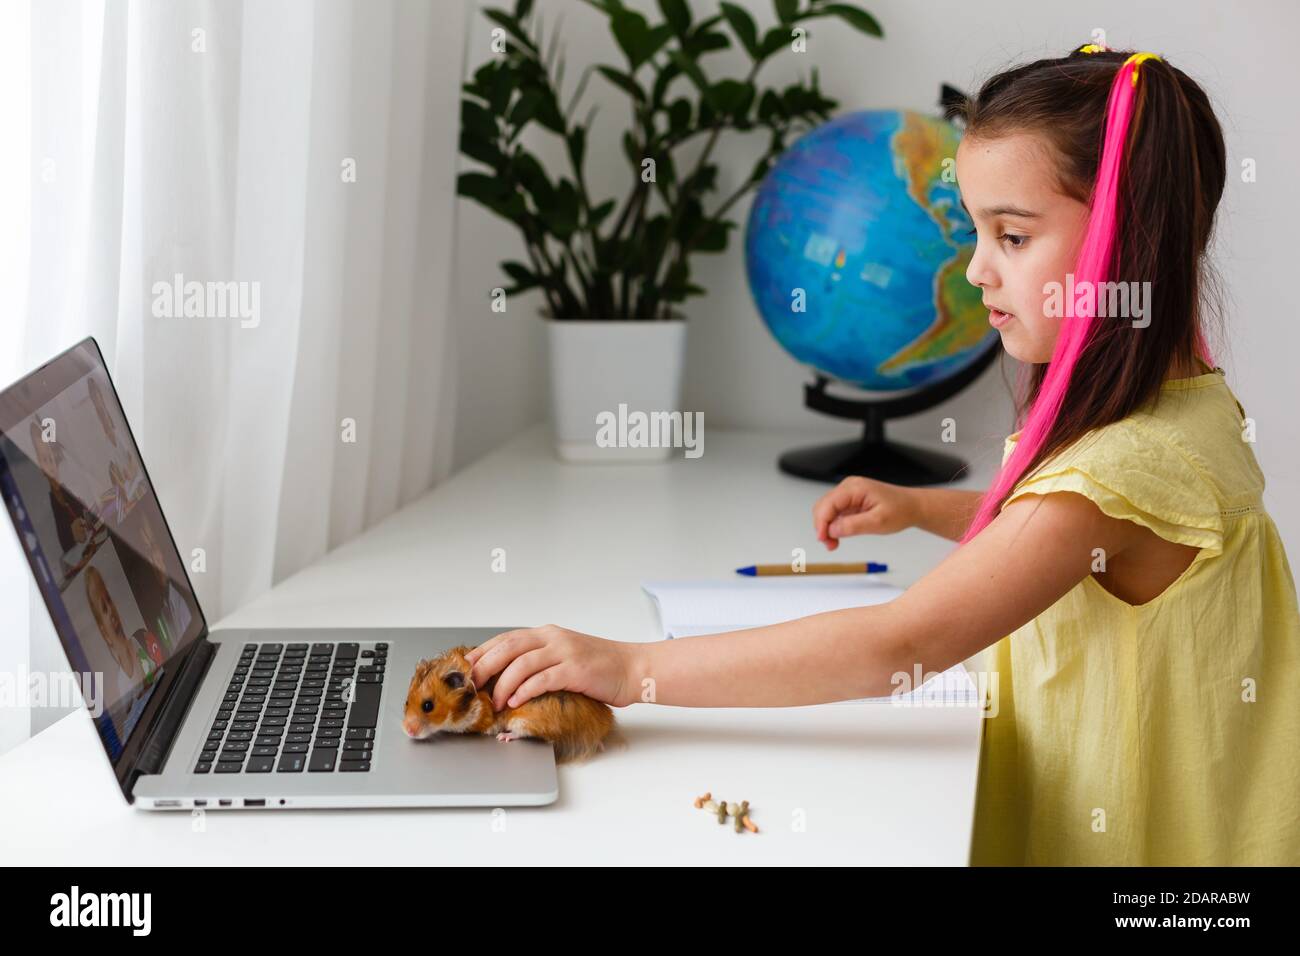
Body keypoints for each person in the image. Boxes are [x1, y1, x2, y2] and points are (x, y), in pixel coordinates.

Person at [462, 46, 1300, 866]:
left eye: (1012, 236)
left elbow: (899, 647)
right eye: (976, 230)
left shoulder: (1132, 460)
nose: (976, 270)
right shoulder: (1183, 411)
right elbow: (1072, 544)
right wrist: (925, 507)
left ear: (1129, 241)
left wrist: (629, 666)